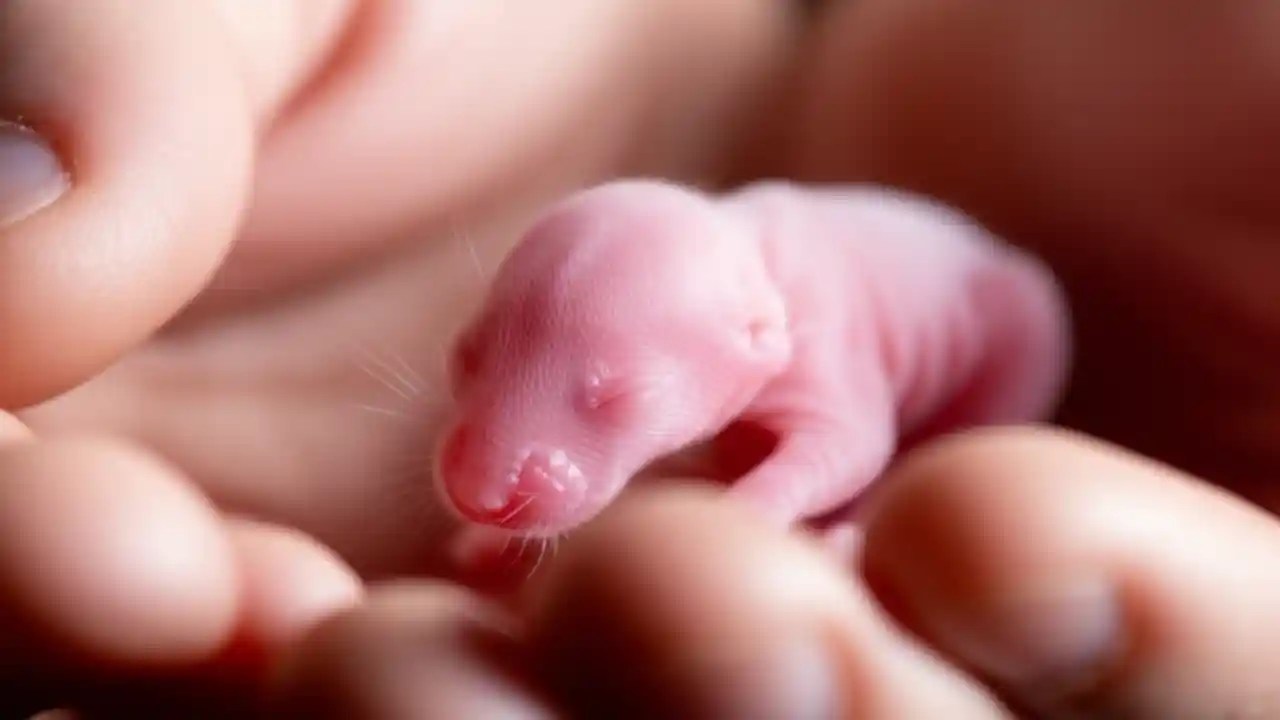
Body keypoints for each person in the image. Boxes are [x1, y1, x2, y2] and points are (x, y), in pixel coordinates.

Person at [2, 1, 1276, 717]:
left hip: (1005, 338)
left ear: (756, 345)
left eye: (606, 402)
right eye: (475, 359)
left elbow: (836, 444)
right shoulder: (686, 271)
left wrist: (774, 513)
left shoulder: (805, 333)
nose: (492, 453)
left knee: (923, 510)